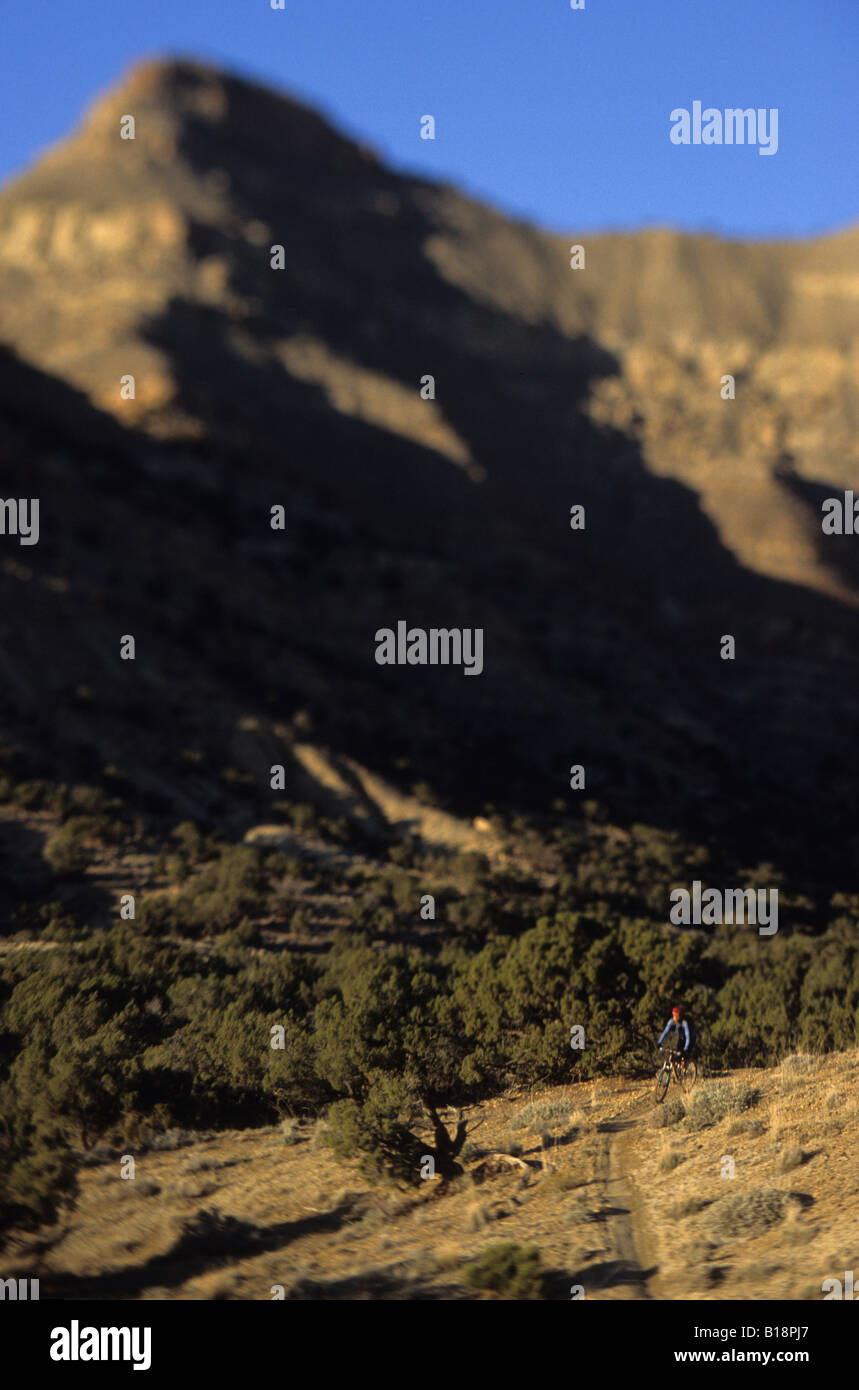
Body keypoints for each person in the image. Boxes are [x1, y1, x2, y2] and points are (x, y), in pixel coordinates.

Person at [657, 1004, 695, 1070]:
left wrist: (685, 1049)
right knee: (677, 1053)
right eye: (674, 1015)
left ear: (680, 1016)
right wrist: (659, 1042)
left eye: (677, 1016)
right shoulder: (671, 1021)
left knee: (685, 1054)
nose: (675, 1018)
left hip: (691, 1038)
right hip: (681, 1038)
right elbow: (665, 1032)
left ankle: (685, 1066)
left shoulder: (684, 1023)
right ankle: (677, 1070)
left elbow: (688, 1037)